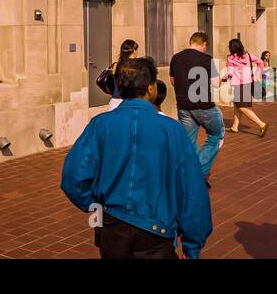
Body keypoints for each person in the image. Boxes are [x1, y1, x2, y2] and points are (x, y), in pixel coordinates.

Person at [61, 58, 213, 259]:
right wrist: (193, 244)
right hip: (156, 229)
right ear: (151, 89)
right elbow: (191, 190)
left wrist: (95, 206)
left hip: (113, 226)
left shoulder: (101, 124)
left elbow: (73, 177)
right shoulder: (171, 129)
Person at [169, 32, 225, 181]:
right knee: (217, 134)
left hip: (183, 105)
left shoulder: (176, 57)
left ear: (191, 41)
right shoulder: (206, 58)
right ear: (204, 44)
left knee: (190, 140)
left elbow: (173, 81)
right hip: (204, 106)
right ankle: (199, 170)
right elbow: (215, 83)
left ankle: (190, 170)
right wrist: (222, 80)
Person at [222, 40, 269, 137]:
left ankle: (261, 124)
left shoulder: (231, 58)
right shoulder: (248, 55)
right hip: (248, 83)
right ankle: (235, 127)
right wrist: (256, 75)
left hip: (239, 85)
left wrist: (223, 79)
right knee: (237, 104)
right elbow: (260, 62)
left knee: (241, 106)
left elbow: (230, 73)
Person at [104, 39, 139, 111]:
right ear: (134, 51)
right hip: (129, 102)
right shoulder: (136, 66)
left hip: (114, 101)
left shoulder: (115, 65)